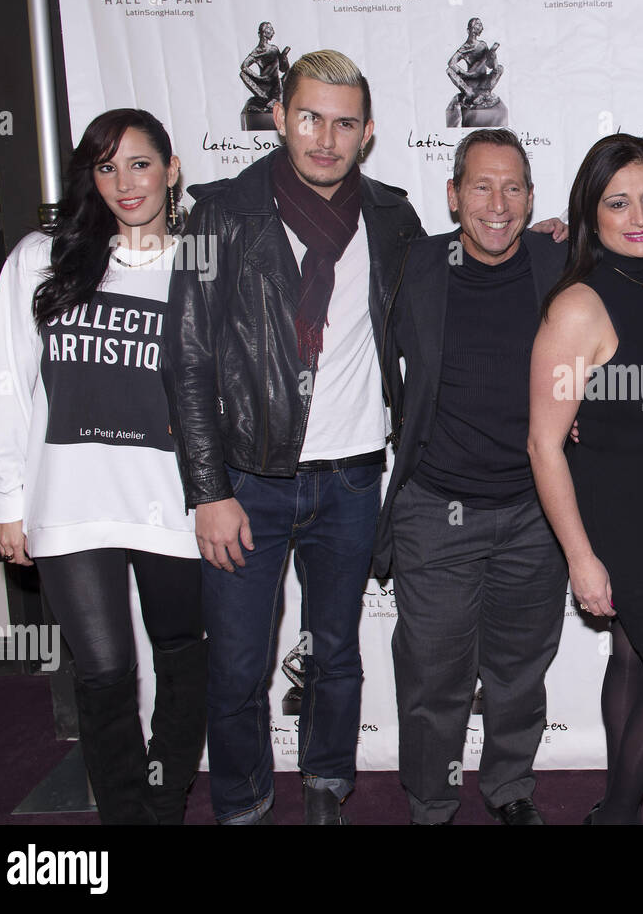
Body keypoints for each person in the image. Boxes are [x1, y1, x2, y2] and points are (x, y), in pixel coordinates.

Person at [165, 49, 422, 825]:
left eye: (344, 123)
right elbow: (186, 358)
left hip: (351, 478)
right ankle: (242, 804)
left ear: (367, 133)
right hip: (249, 479)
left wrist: (543, 247)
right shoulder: (220, 214)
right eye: (309, 117)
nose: (324, 137)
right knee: (240, 663)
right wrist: (208, 491)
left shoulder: (393, 217)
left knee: (335, 652)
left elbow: (455, 286)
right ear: (279, 117)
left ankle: (325, 787)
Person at [0, 108, 205, 824]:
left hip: (172, 498)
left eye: (140, 164)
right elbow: (10, 380)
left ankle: (166, 799)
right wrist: (5, 498)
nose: (124, 182)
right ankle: (126, 817)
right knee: (106, 672)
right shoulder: (43, 257)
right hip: (69, 500)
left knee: (181, 655)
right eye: (106, 167)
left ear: (171, 170)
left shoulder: (201, 261)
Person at [371, 128, 568, 826]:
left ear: (532, 198)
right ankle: (431, 802)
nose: (498, 203)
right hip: (436, 507)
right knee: (433, 675)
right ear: (453, 195)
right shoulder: (411, 267)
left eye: (513, 186)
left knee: (520, 671)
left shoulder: (561, 260)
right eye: (481, 186)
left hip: (535, 513)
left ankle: (510, 789)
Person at [528, 134, 643, 824]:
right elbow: (544, 443)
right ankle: (613, 816)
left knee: (635, 657)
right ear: (590, 213)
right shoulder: (580, 305)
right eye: (617, 202)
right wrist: (581, 556)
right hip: (620, 516)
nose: (639, 215)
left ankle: (620, 805)